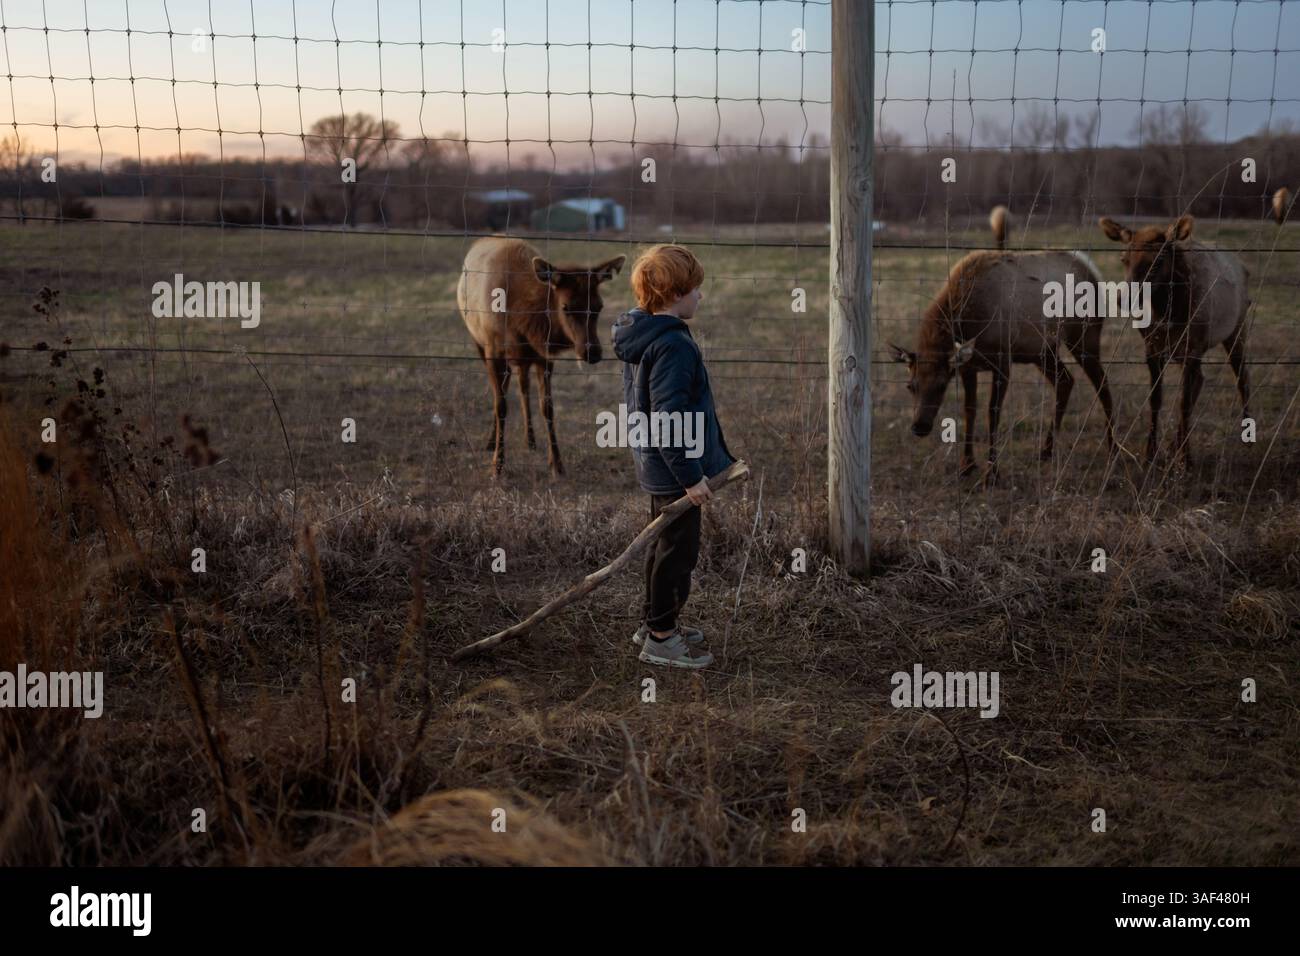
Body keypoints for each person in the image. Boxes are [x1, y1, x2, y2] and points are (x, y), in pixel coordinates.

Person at [610, 244, 735, 669]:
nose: (700, 296)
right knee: (677, 553)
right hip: (673, 465)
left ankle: (654, 622)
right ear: (675, 293)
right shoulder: (674, 346)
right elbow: (669, 417)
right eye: (695, 289)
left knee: (660, 544)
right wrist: (690, 476)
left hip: (654, 462)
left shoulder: (641, 334)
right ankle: (662, 638)